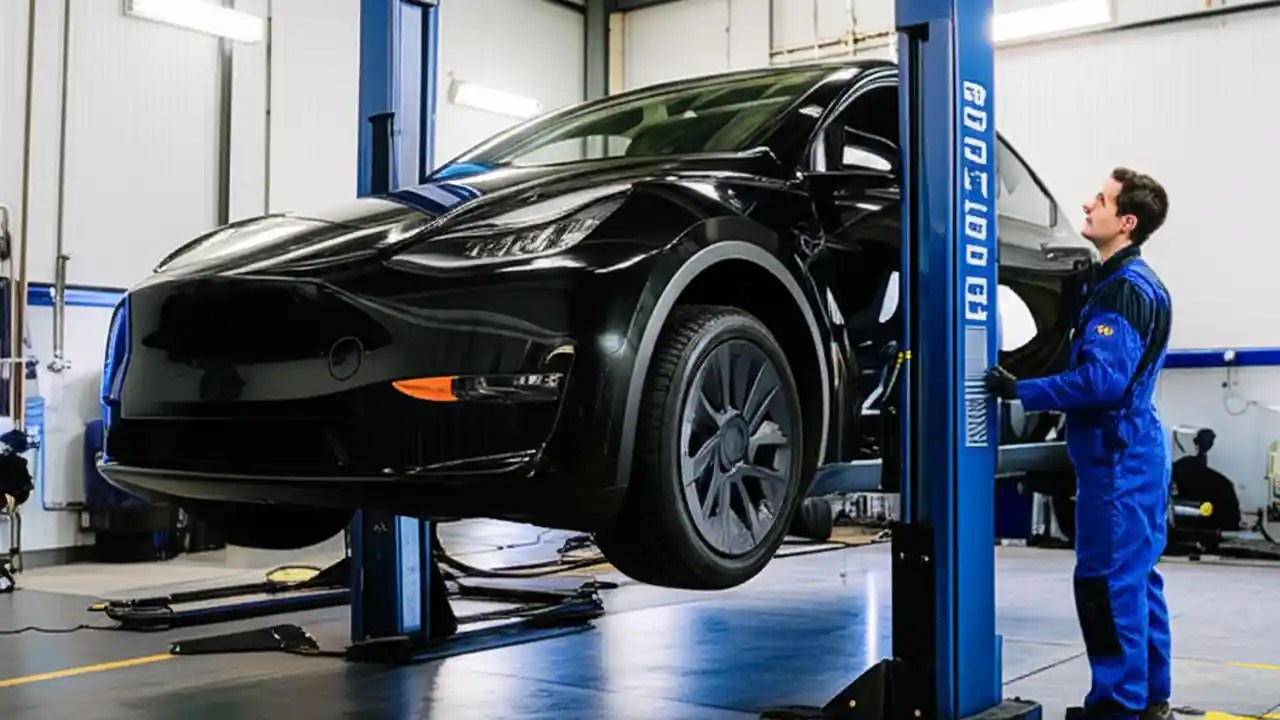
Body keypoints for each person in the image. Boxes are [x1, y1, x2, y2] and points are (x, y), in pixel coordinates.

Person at [985, 167, 1173, 720]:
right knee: (1139, 583)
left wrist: (1021, 389)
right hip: (1136, 454)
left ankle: (1117, 708)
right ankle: (1151, 699)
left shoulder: (1121, 291)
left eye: (1102, 200)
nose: (1088, 204)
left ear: (1127, 221)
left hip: (1117, 463)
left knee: (1106, 586)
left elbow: (1102, 382)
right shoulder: (1138, 282)